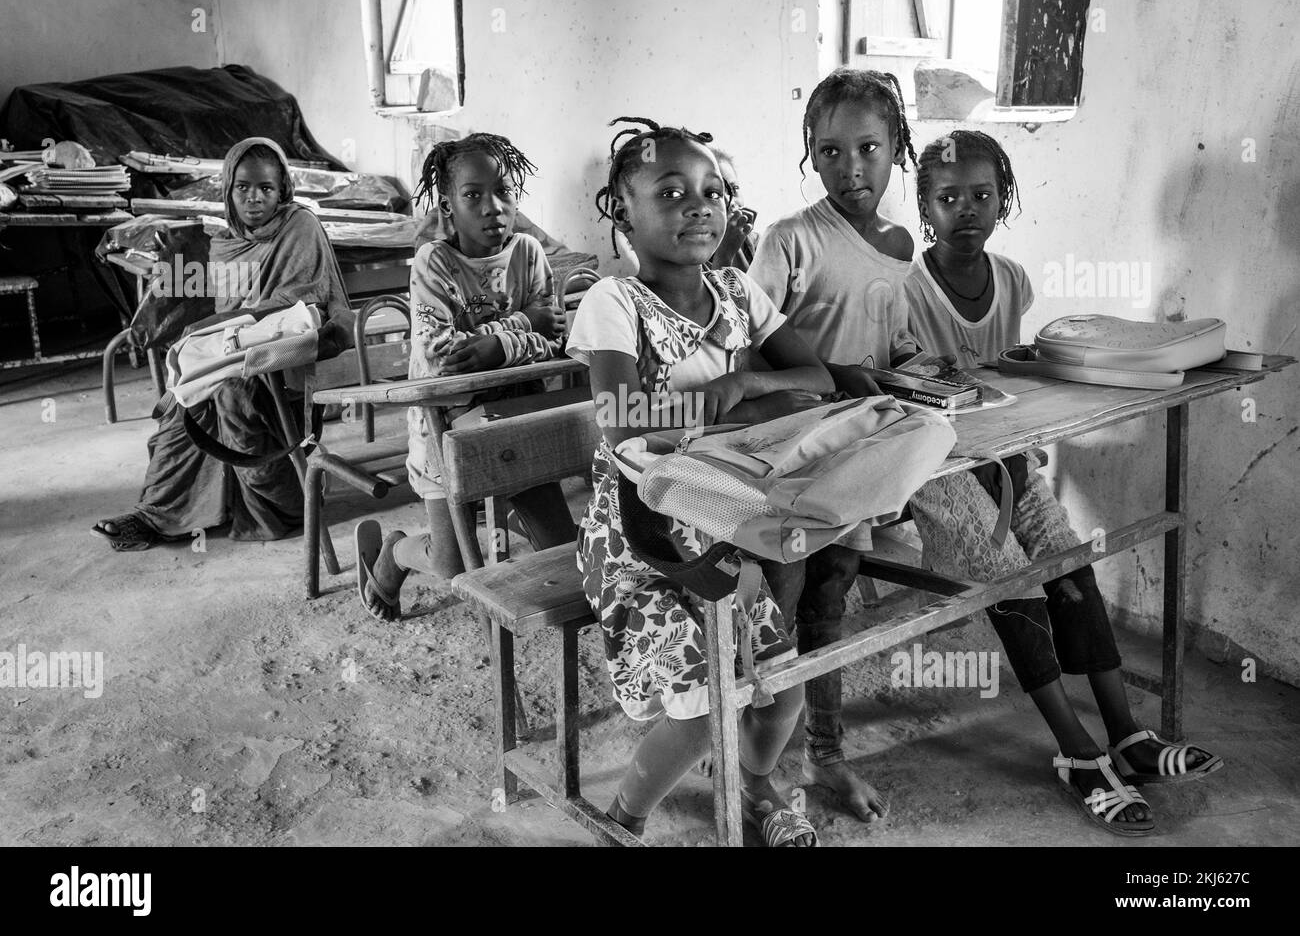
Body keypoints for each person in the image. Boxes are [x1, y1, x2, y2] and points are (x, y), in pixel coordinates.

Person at [903, 130, 1223, 836]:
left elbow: (1007, 368)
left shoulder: (1012, 279)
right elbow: (909, 387)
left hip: (1007, 454)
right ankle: (1077, 754)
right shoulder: (906, 286)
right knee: (1013, 579)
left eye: (982, 195)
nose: (966, 210)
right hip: (934, 464)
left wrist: (1025, 420)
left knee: (1068, 565)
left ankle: (1127, 735)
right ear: (924, 208)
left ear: (1003, 200)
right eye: (948, 198)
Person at [567, 115, 834, 845]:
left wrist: (741, 382)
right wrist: (732, 402)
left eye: (713, 191)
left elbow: (816, 380)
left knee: (781, 690)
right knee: (701, 705)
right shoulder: (613, 303)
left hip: (729, 527)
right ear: (625, 211)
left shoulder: (738, 294)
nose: (700, 206)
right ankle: (623, 820)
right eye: (673, 191)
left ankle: (751, 787)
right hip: (640, 539)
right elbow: (624, 424)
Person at [747, 67, 920, 824]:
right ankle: (754, 770)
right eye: (830, 151)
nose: (852, 168)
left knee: (827, 610)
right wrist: (827, 384)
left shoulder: (902, 242)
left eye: (870, 148)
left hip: (858, 464)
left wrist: (925, 372)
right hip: (788, 468)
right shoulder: (787, 241)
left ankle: (825, 758)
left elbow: (900, 343)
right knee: (772, 626)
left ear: (897, 150)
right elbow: (745, 351)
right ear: (810, 155)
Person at [93, 137, 353, 552]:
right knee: (188, 401)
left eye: (267, 188)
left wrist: (217, 331)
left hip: (288, 356)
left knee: (232, 392)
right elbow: (238, 307)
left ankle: (281, 505)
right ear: (228, 190)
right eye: (243, 187)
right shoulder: (226, 242)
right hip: (237, 350)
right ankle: (155, 515)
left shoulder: (300, 226)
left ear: (282, 189)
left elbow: (301, 301)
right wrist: (218, 338)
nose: (255, 198)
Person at [355, 133, 574, 620]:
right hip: (445, 427)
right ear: (448, 207)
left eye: (503, 191)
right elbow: (443, 357)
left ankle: (505, 520)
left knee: (566, 547)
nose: (492, 207)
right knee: (453, 565)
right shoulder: (435, 262)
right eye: (473, 195)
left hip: (516, 421)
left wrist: (496, 345)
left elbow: (553, 341)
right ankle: (394, 553)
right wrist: (519, 328)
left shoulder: (528, 254)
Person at [708, 147, 758, 271]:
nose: (729, 202)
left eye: (734, 189)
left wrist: (738, 245)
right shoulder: (691, 252)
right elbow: (723, 290)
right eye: (714, 194)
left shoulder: (758, 243)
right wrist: (725, 252)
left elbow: (755, 289)